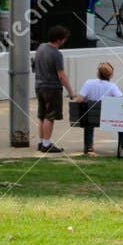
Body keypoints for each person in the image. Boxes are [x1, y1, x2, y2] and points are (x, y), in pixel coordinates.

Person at [32, 25, 75, 154]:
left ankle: (41, 142)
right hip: (52, 88)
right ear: (58, 40)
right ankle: (46, 144)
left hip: (39, 85)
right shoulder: (56, 54)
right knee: (50, 117)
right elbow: (61, 75)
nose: (64, 41)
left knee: (42, 115)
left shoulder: (41, 47)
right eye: (64, 39)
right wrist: (71, 92)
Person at [74, 61, 123, 156]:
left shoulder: (89, 83)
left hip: (90, 118)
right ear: (110, 75)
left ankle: (89, 147)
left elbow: (79, 100)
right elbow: (122, 102)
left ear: (98, 73)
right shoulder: (112, 86)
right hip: (109, 119)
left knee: (88, 118)